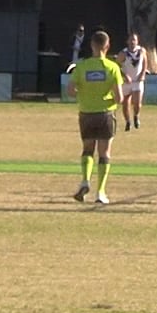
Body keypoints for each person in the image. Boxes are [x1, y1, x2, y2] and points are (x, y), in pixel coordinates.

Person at [64, 30, 124, 204]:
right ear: (107, 46)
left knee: (87, 149)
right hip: (105, 113)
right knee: (104, 153)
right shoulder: (112, 67)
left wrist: (84, 95)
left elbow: (70, 91)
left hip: (86, 113)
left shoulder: (82, 66)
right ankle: (100, 192)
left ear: (91, 45)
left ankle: (85, 180)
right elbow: (119, 98)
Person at [118, 32, 149, 132]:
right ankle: (128, 122)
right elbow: (117, 66)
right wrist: (124, 75)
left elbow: (145, 62)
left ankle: (136, 116)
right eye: (130, 40)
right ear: (127, 41)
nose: (132, 42)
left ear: (137, 41)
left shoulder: (141, 51)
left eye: (134, 40)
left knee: (137, 103)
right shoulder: (123, 53)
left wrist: (143, 74)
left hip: (137, 80)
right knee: (125, 102)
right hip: (126, 82)